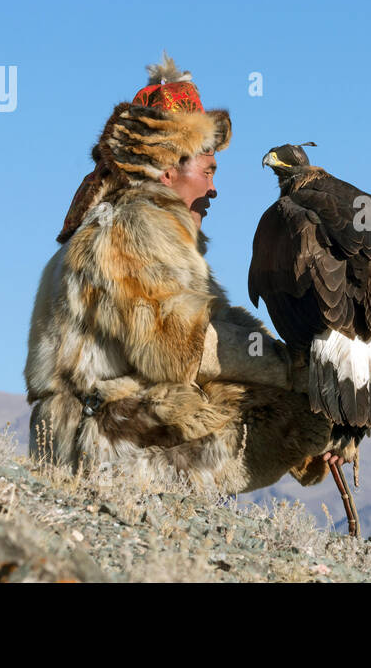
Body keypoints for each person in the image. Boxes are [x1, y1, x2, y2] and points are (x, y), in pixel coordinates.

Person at [24, 54, 354, 493]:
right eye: (209, 170)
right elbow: (181, 349)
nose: (214, 189)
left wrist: (330, 381)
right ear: (167, 169)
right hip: (93, 444)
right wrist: (308, 376)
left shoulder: (139, 224)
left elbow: (213, 327)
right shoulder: (130, 226)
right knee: (303, 410)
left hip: (113, 422)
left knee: (314, 407)